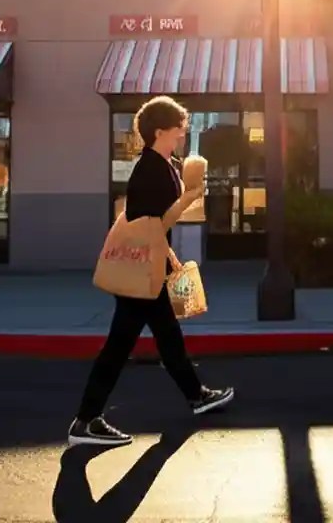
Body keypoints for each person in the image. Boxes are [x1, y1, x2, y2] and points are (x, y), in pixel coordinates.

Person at [68, 96, 234, 447]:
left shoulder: (161, 164)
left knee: (166, 337)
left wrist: (170, 256)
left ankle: (196, 396)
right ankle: (86, 420)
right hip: (140, 273)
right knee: (121, 346)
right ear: (159, 131)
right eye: (177, 132)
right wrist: (189, 198)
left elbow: (151, 228)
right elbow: (153, 223)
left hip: (148, 267)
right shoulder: (150, 168)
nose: (181, 138)